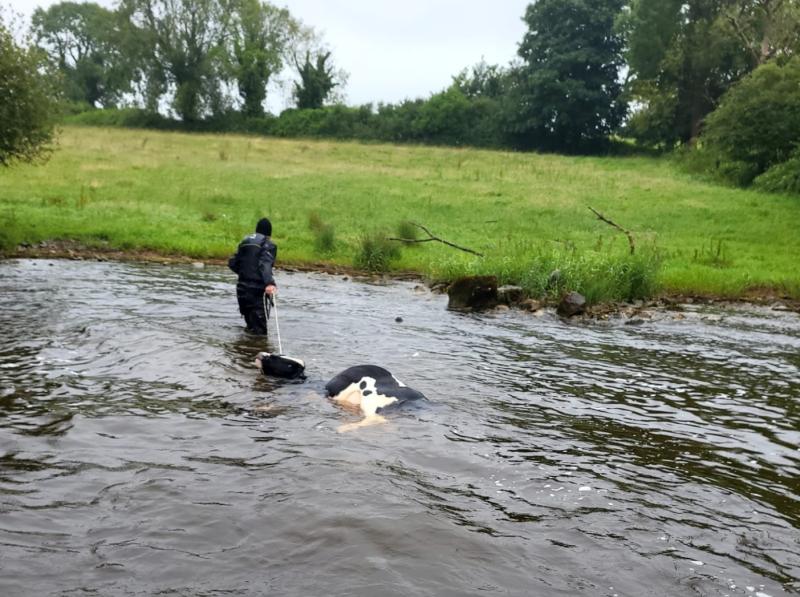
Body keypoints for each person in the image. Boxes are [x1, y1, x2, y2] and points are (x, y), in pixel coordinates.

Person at [229, 218, 277, 335]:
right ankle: (255, 351)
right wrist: (269, 283)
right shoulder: (267, 244)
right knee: (260, 333)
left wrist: (245, 274)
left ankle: (245, 351)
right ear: (268, 233)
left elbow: (233, 263)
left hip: (241, 290)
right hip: (256, 292)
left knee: (250, 327)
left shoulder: (245, 242)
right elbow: (265, 264)